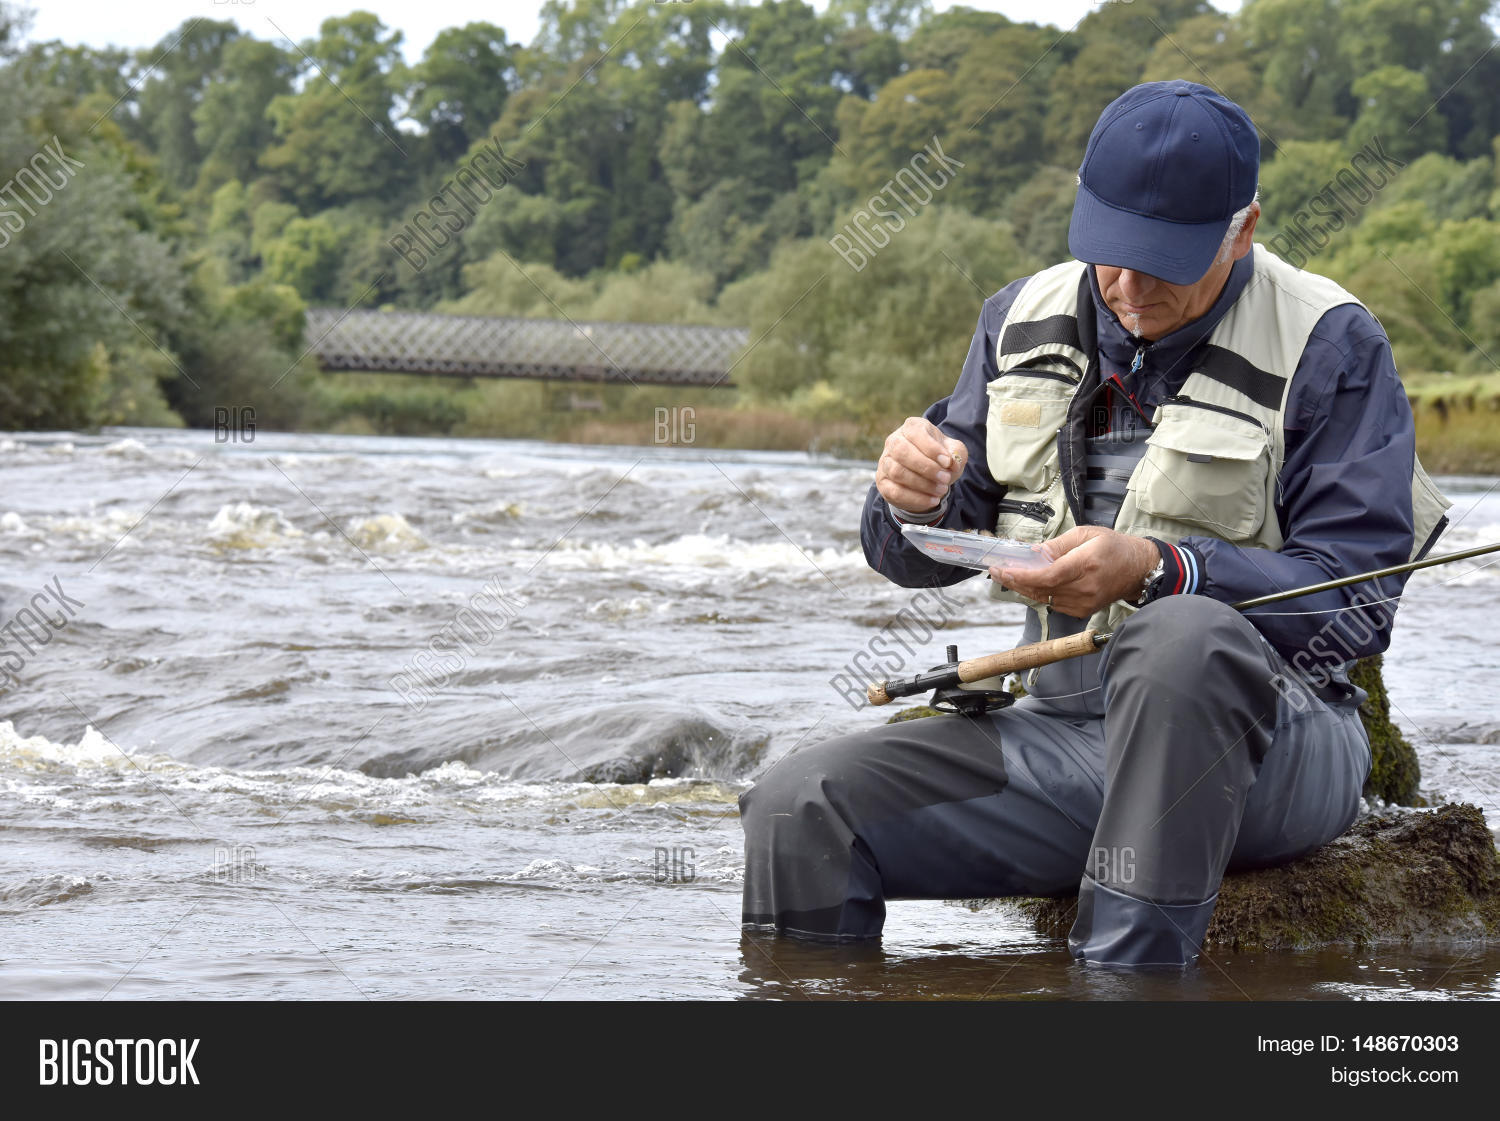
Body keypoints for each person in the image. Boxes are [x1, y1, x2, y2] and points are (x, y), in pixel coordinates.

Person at [738, 80, 1451, 967]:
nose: (1128, 285)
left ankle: (1120, 1009)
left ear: (1246, 228)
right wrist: (909, 502)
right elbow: (916, 552)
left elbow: (1358, 604)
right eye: (1110, 251)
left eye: (1165, 260)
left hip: (1274, 743)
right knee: (796, 805)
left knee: (1182, 639)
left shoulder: (1336, 346)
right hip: (1066, 738)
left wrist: (1163, 568)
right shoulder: (1014, 318)